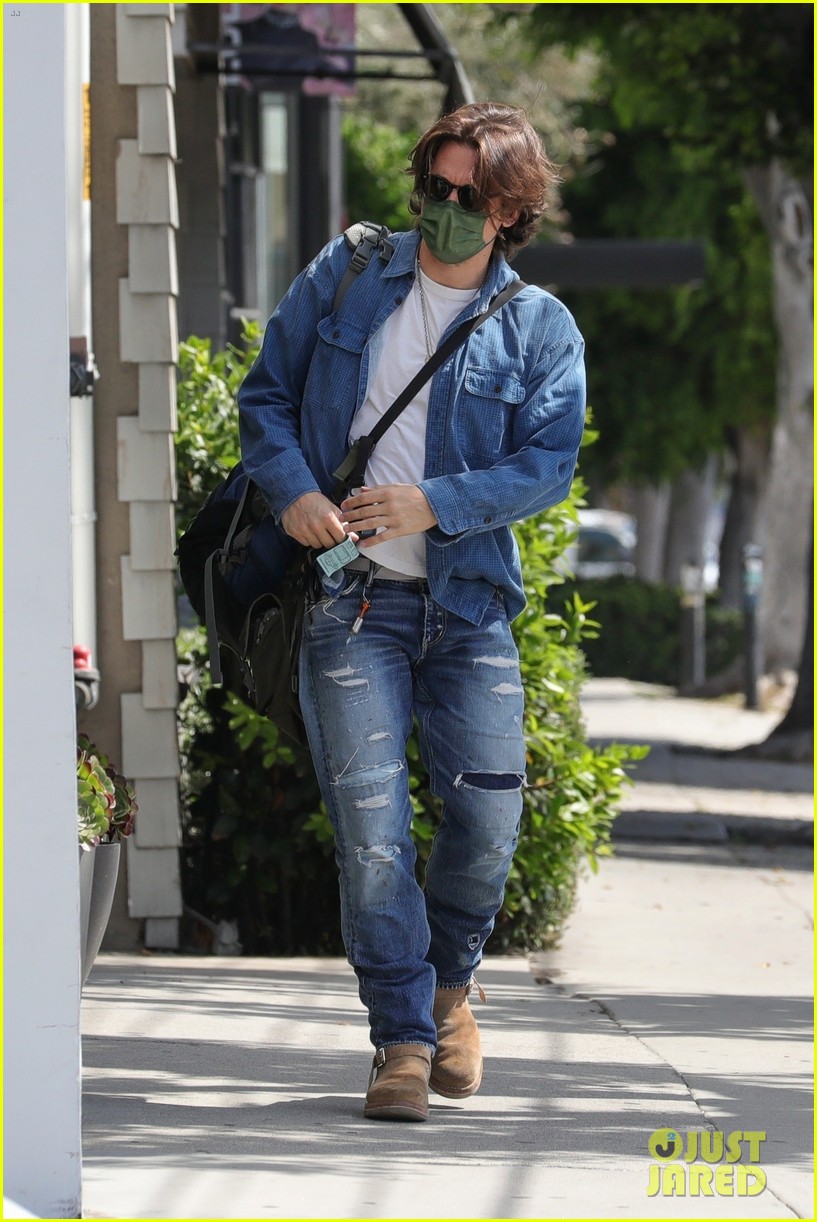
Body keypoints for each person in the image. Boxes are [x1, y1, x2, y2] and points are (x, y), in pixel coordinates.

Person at [238, 101, 586, 1122]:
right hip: (350, 603)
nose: (444, 207)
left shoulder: (538, 326)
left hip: (466, 606)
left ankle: (448, 989)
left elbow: (548, 464)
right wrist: (295, 492)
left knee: (486, 815)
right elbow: (266, 397)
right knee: (373, 831)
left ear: (508, 210)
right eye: (434, 186)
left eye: (469, 195)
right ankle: (399, 1039)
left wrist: (436, 502)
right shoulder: (348, 276)